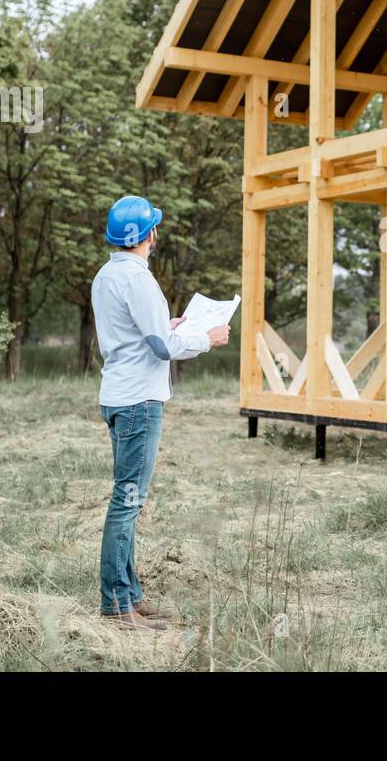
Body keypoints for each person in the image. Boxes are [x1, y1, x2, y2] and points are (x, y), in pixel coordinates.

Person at [91, 195, 229, 630]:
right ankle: (117, 606)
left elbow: (139, 333)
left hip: (118, 394)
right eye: (154, 227)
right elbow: (161, 347)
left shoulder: (106, 275)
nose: (156, 233)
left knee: (127, 498)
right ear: (148, 235)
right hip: (138, 401)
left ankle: (131, 594)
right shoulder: (139, 280)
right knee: (127, 501)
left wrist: (167, 327)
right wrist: (207, 338)